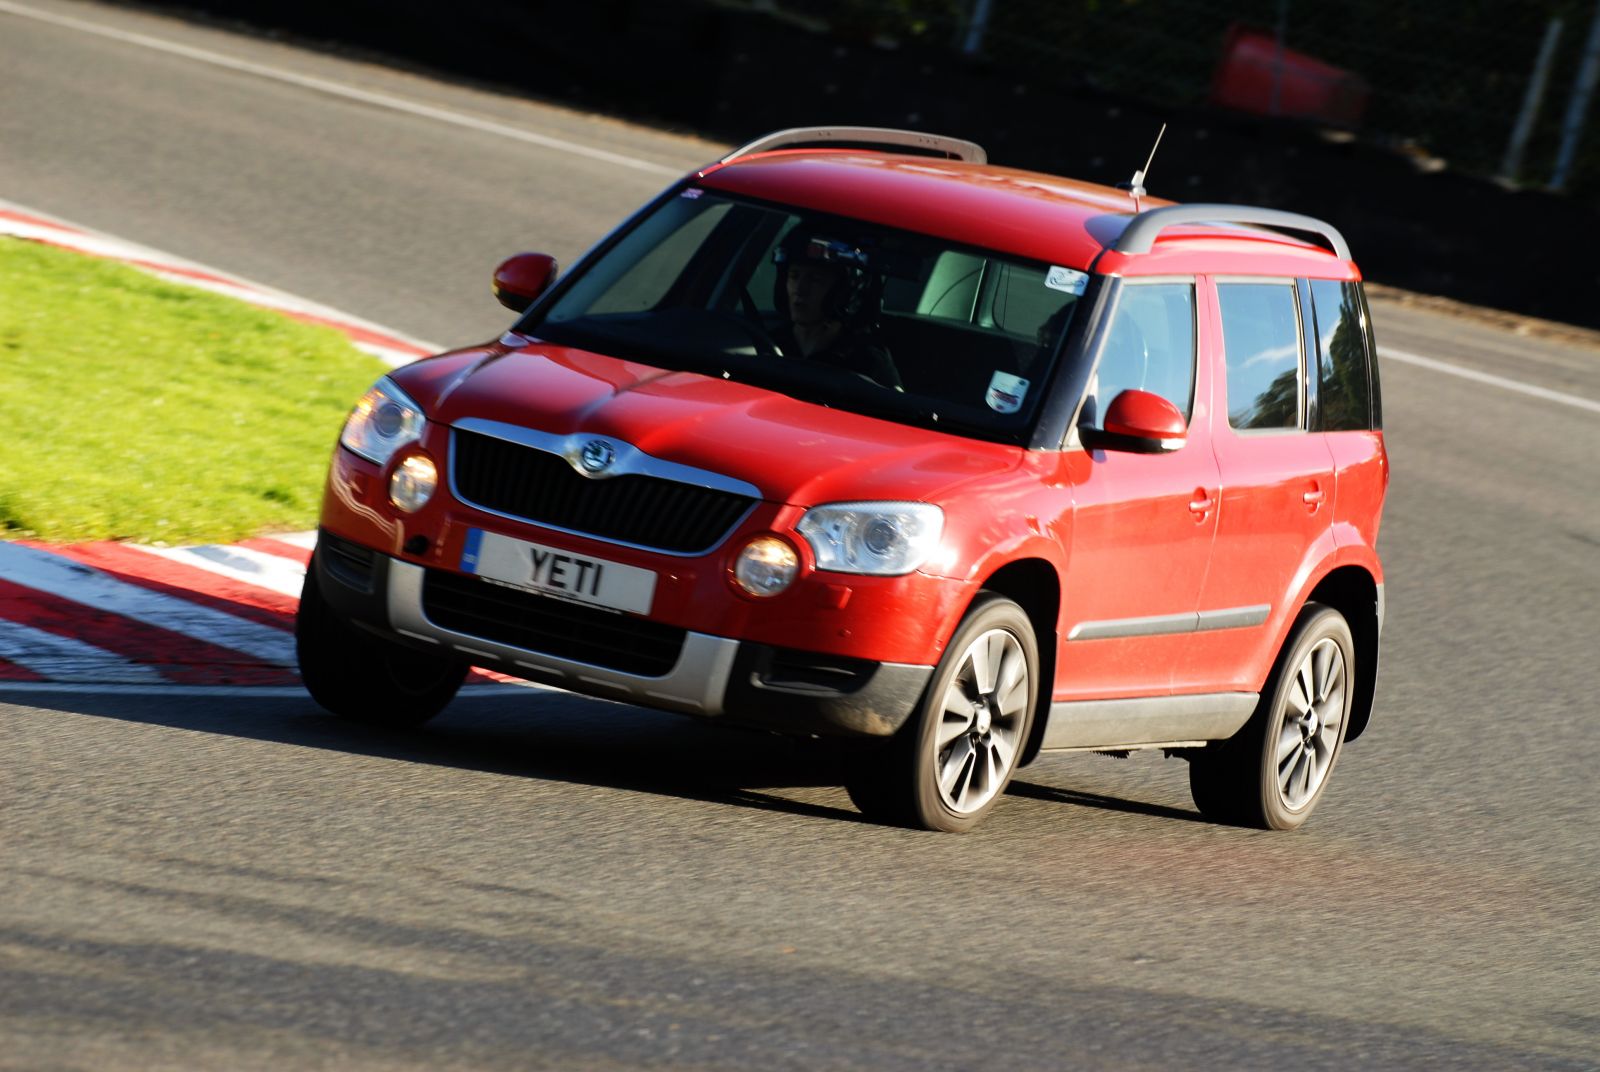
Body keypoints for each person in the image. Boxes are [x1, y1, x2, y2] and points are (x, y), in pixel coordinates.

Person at [773, 231, 901, 390]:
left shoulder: (868, 362)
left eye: (815, 279)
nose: (800, 289)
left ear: (843, 293)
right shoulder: (765, 343)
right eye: (794, 276)